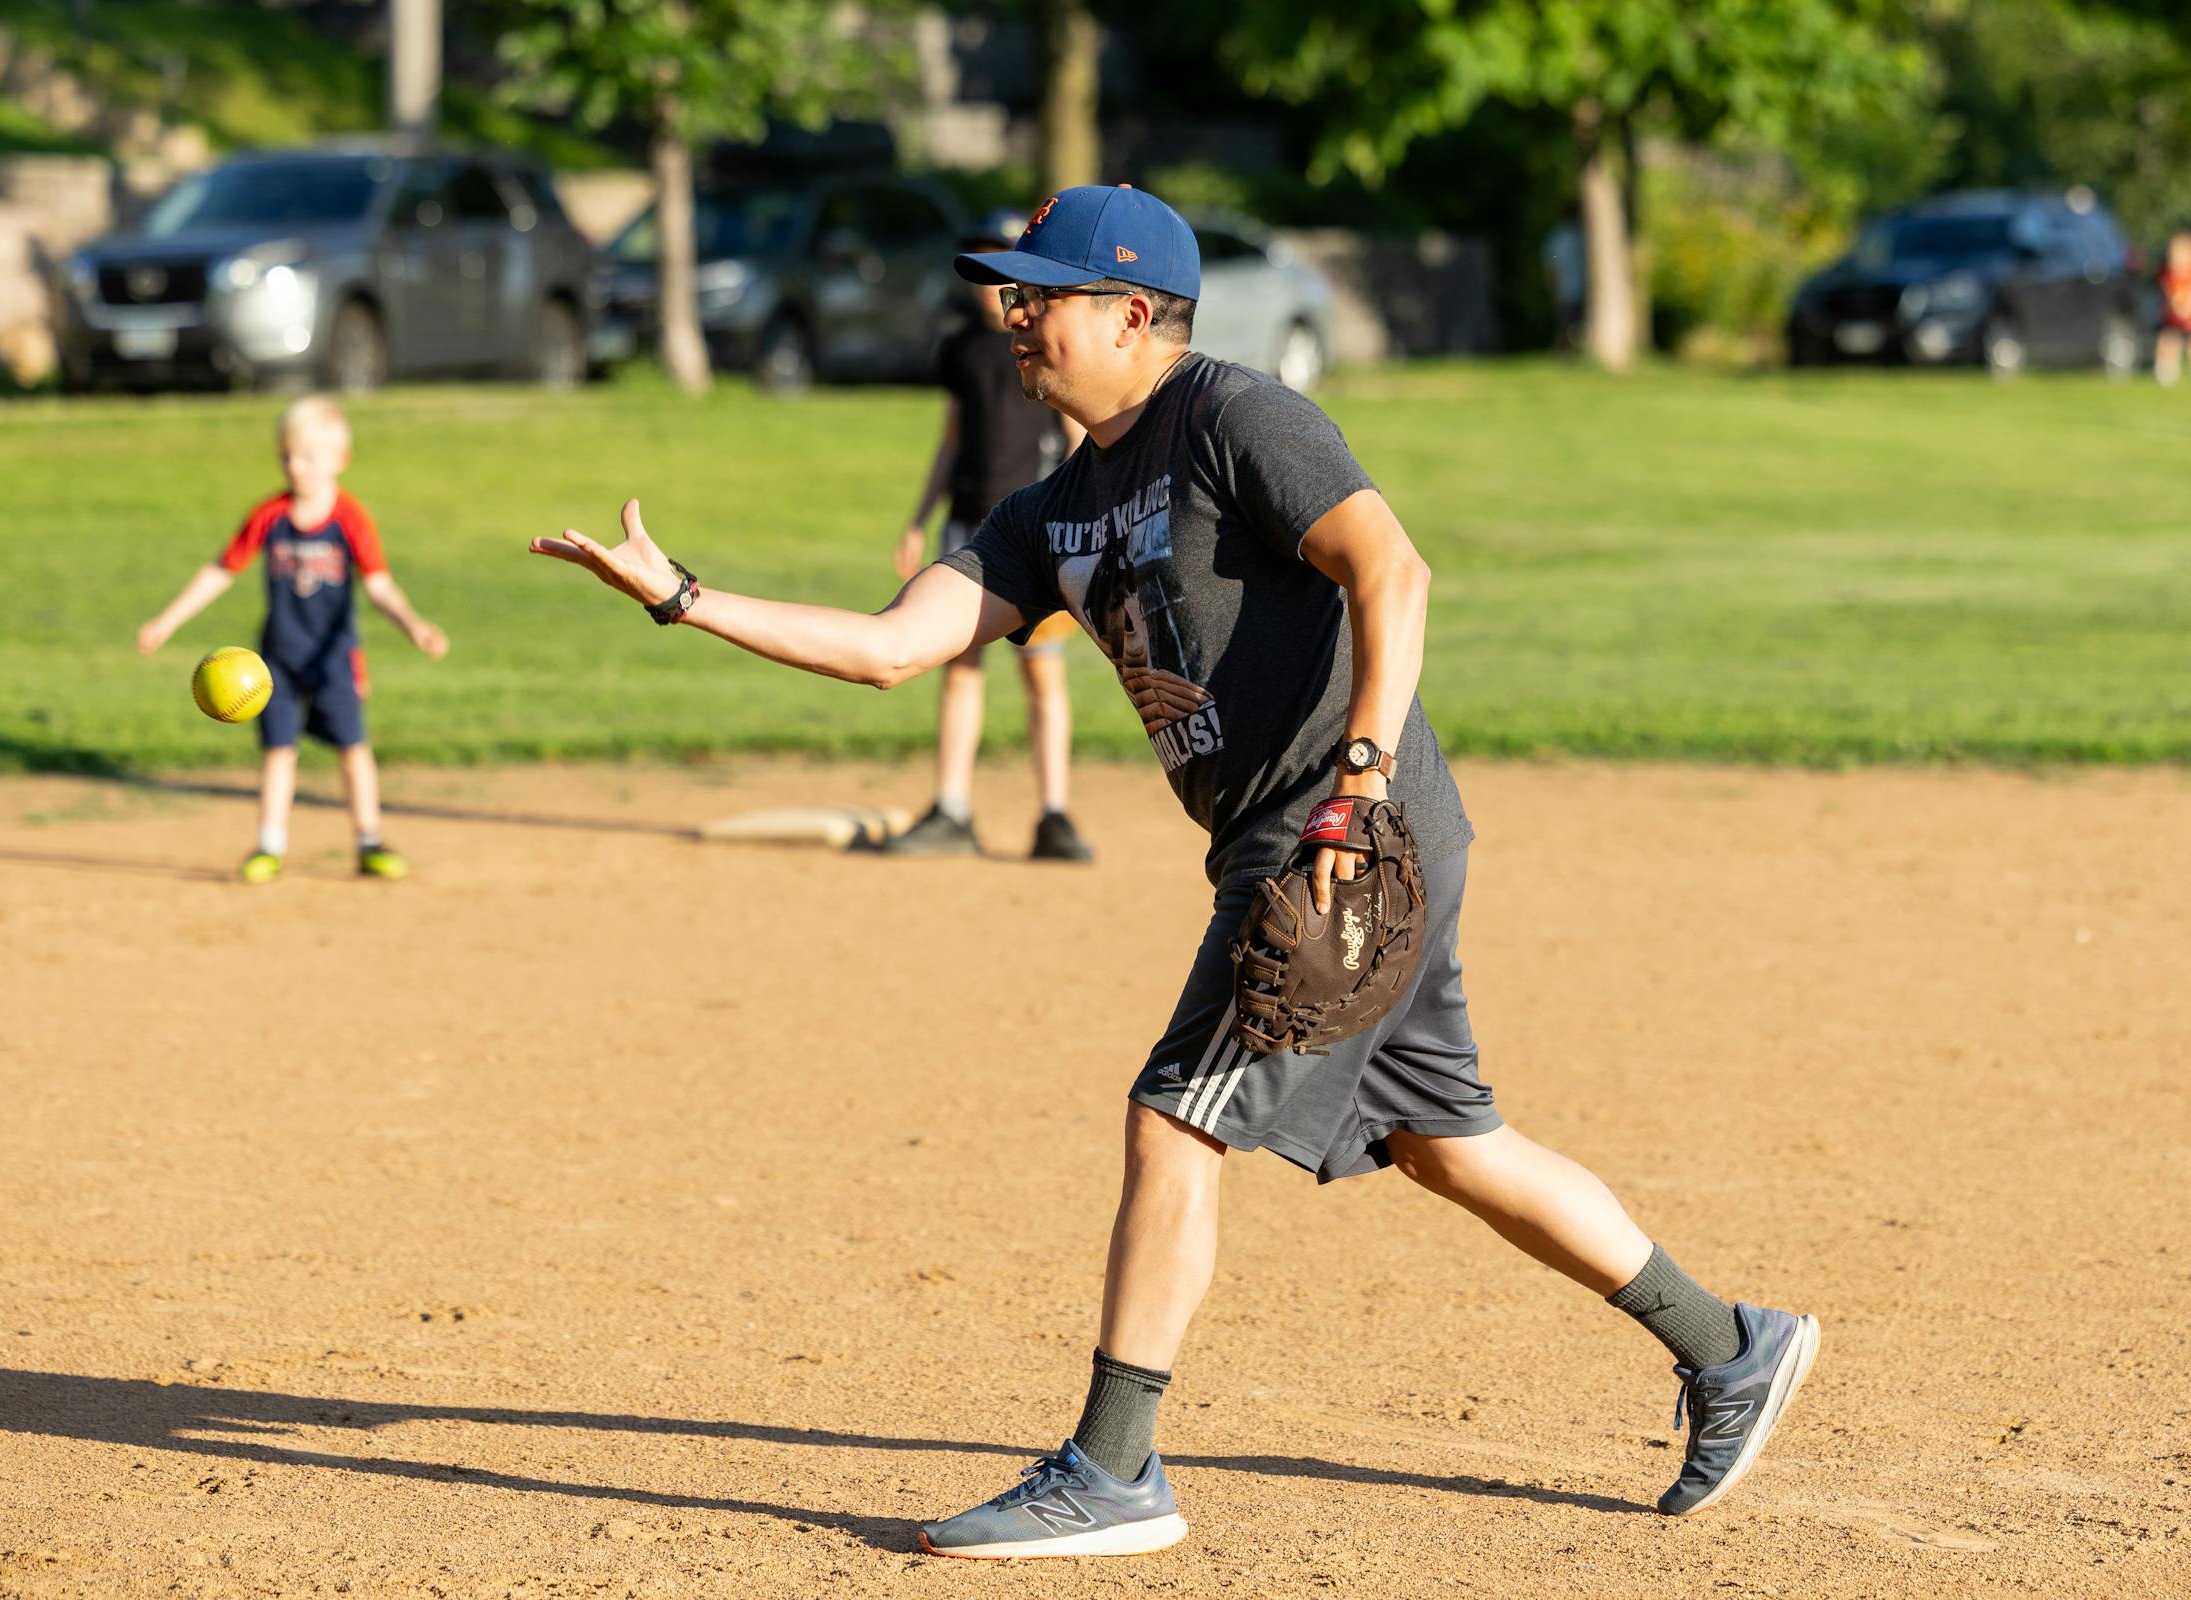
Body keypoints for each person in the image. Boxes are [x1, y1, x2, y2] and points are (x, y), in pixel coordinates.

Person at [528, 185, 1819, 1559]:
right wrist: (685, 598)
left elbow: (1394, 571)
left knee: (1174, 1118)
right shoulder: (1052, 509)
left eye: (1044, 295)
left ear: (1132, 313)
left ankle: (1112, 1469)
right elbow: (892, 648)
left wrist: (1359, 787)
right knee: (1448, 1144)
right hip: (1292, 839)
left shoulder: (1234, 418)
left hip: (1335, 836)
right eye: (1014, 292)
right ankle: (1730, 1344)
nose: (1014, 315)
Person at [138, 395, 447, 882]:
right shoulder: (270, 515)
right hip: (274, 662)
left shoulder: (350, 518)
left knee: (354, 748)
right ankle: (270, 845)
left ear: (340, 459)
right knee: (279, 751)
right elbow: (223, 569)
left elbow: (379, 586)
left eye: (306, 456)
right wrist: (169, 620)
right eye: (286, 456)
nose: (294, 466)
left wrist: (413, 625)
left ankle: (369, 840)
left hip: (334, 659)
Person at [883, 214, 1092, 861]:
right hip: (968, 523)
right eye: (978, 263)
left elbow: (1077, 437)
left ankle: (1054, 814)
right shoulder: (962, 347)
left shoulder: (1045, 343)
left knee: (1042, 675)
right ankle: (952, 808)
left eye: (999, 261)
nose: (987, 280)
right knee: (959, 668)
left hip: (1036, 533)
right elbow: (950, 441)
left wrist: (1080, 515)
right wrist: (919, 518)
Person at [2155, 230, 2191, 389]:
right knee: (2167, 341)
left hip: (2189, 319)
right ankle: (2166, 372)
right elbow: (2168, 291)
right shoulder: (2168, 274)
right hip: (2172, 319)